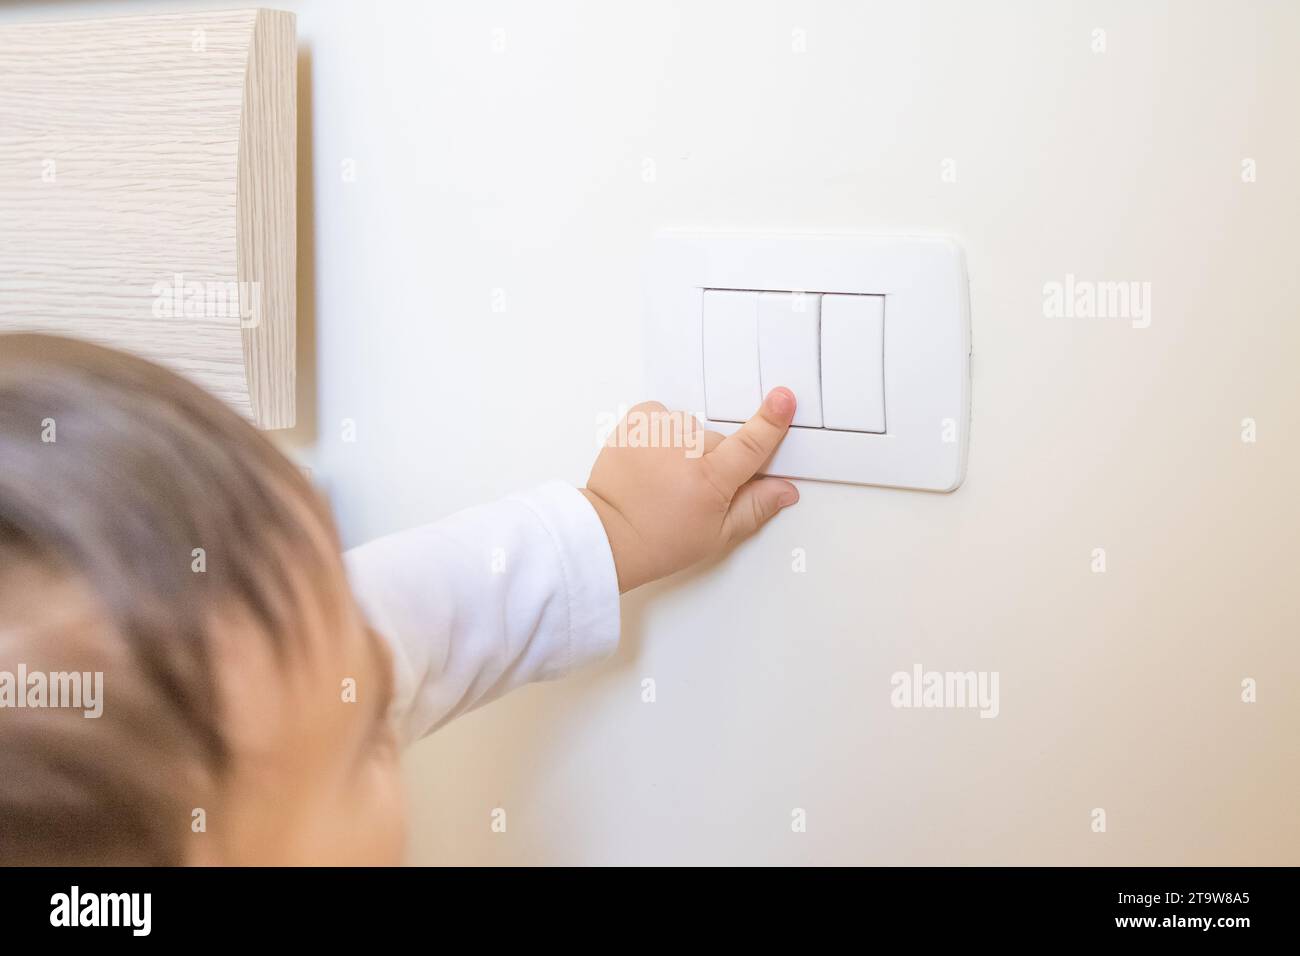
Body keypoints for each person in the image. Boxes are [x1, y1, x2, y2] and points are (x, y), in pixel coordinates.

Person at [0, 333, 799, 864]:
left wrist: (609, 526)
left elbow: (408, 611)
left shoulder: (268, 716)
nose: (384, 681)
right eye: (368, 738)